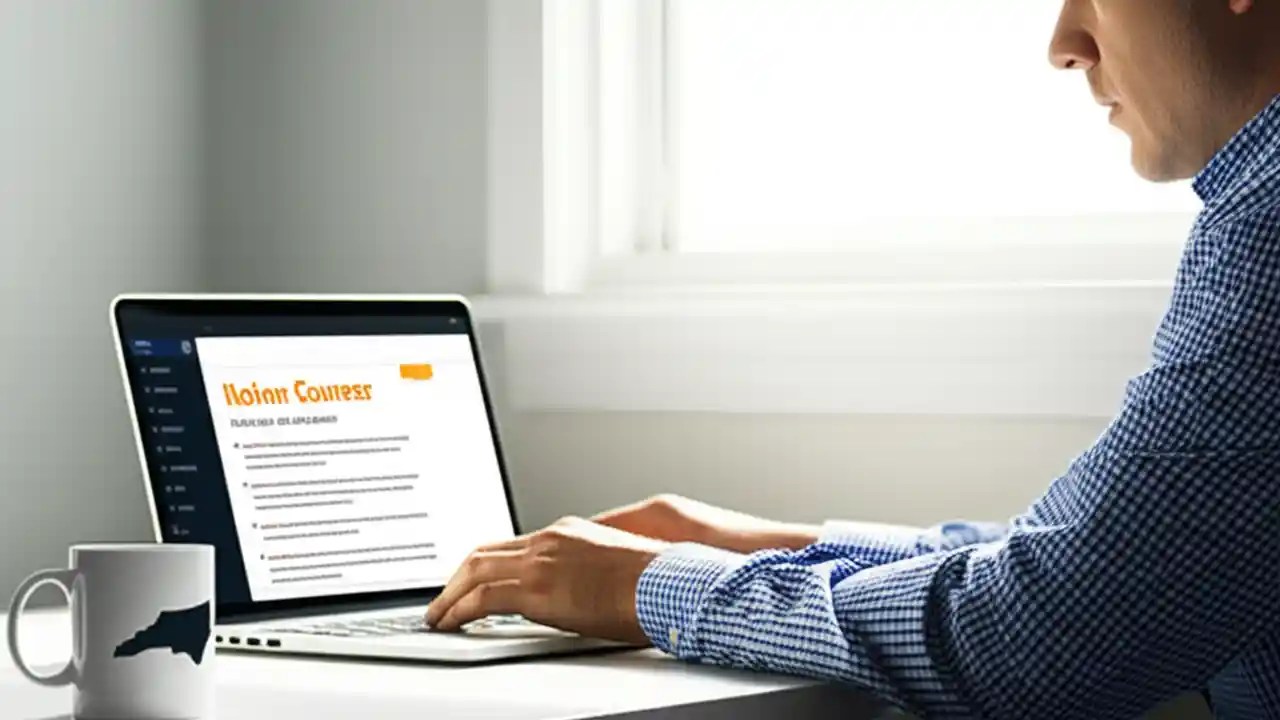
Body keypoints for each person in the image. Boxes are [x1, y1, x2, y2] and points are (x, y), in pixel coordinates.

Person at [427, 0, 1280, 717]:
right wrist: (758, 544)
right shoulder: (1250, 202)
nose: (1065, 44)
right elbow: (1097, 557)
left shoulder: (1265, 226)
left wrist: (653, 589)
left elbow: (1048, 634)